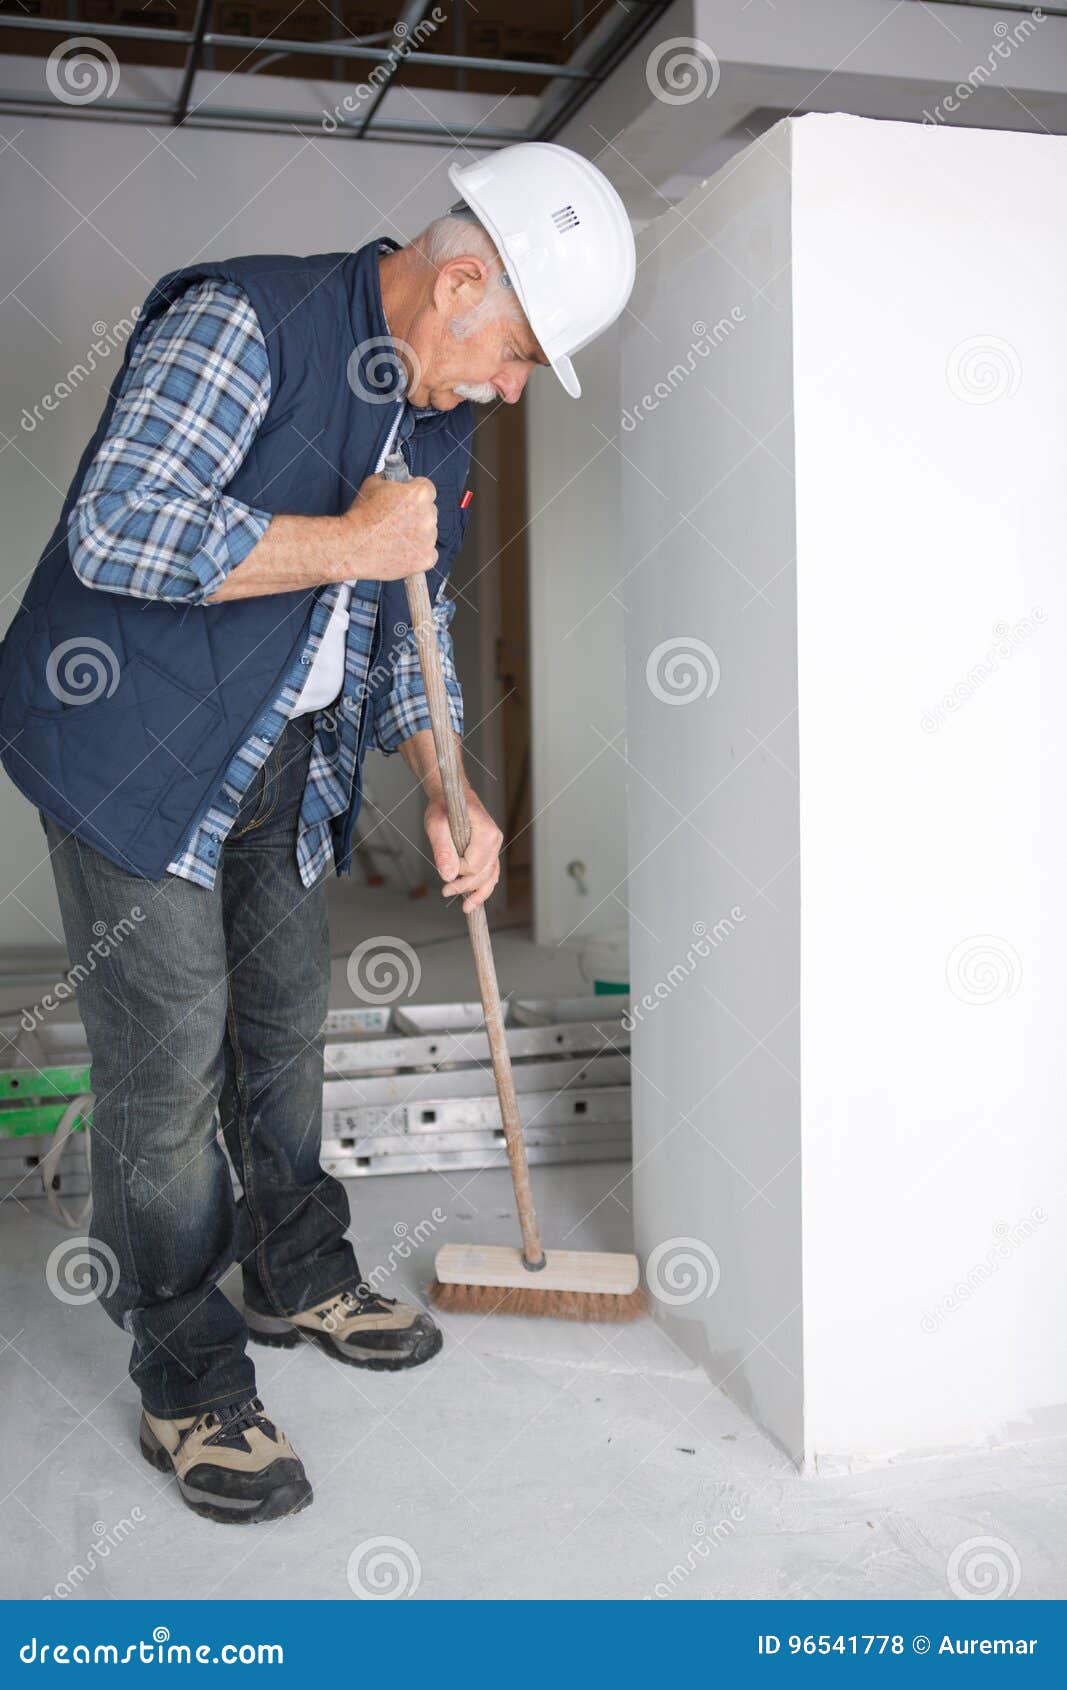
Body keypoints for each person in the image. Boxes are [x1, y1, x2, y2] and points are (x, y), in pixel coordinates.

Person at [0, 142, 636, 1524]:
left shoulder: (440, 407)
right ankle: (187, 1374)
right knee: (169, 1061)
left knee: (286, 1019)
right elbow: (116, 526)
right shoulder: (246, 321)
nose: (513, 388)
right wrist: (348, 542)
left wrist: (451, 784)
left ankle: (294, 1260)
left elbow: (402, 633)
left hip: (281, 747)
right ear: (461, 279)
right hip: (126, 741)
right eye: (518, 351)